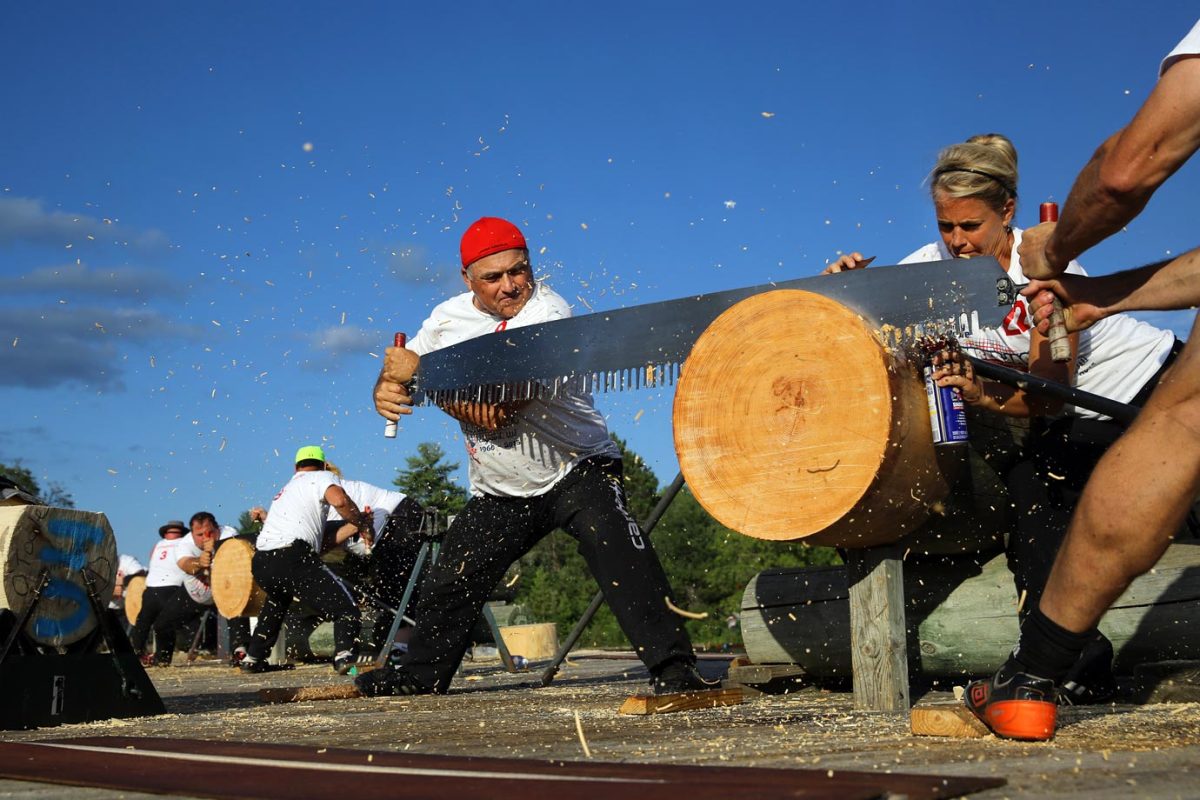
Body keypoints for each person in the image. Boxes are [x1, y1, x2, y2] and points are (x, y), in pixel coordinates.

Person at [826, 133, 1180, 704]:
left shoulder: (1040, 262)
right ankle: (1073, 671)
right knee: (1036, 502)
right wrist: (840, 294)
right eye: (946, 226)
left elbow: (1049, 396)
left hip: (1150, 385)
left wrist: (983, 395)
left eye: (971, 226)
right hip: (1071, 419)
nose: (957, 242)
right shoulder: (921, 274)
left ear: (1007, 211)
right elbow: (865, 342)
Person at [965, 21, 1200, 740]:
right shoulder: (934, 271)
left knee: (1179, 423)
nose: (956, 241)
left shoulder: (1024, 253)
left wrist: (1058, 247)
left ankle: (1031, 680)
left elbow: (1129, 167)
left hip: (1128, 396)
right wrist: (1110, 294)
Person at [364, 216, 707, 697]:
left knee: (621, 556)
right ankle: (418, 679)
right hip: (501, 488)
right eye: (493, 277)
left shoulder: (549, 314)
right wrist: (384, 389)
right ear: (467, 281)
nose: (510, 286)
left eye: (518, 271)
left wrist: (421, 375)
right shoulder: (445, 319)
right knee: (450, 579)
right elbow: (396, 375)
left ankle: (676, 672)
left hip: (578, 466)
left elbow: (498, 413)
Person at [239, 445, 374, 675]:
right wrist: (361, 522)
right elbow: (340, 501)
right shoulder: (322, 477)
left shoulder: (287, 488)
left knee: (277, 602)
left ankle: (253, 658)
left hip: (262, 561)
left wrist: (352, 526)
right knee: (346, 608)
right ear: (322, 465)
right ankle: (344, 656)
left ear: (296, 467)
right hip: (292, 556)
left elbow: (314, 539)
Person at [129, 520, 206, 666]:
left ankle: (137, 653)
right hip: (173, 587)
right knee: (167, 623)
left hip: (151, 588)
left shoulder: (157, 545)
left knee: (143, 623)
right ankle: (163, 658)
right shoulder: (185, 543)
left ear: (166, 533)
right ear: (183, 532)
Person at [178, 511, 246, 660]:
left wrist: (215, 548)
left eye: (209, 533)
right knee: (163, 622)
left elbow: (234, 557)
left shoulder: (228, 533)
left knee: (236, 605)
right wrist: (199, 562)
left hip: (225, 588)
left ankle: (239, 652)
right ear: (192, 534)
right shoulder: (185, 543)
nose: (205, 538)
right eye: (200, 535)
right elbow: (184, 564)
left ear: (218, 529)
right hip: (197, 593)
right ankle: (160, 659)